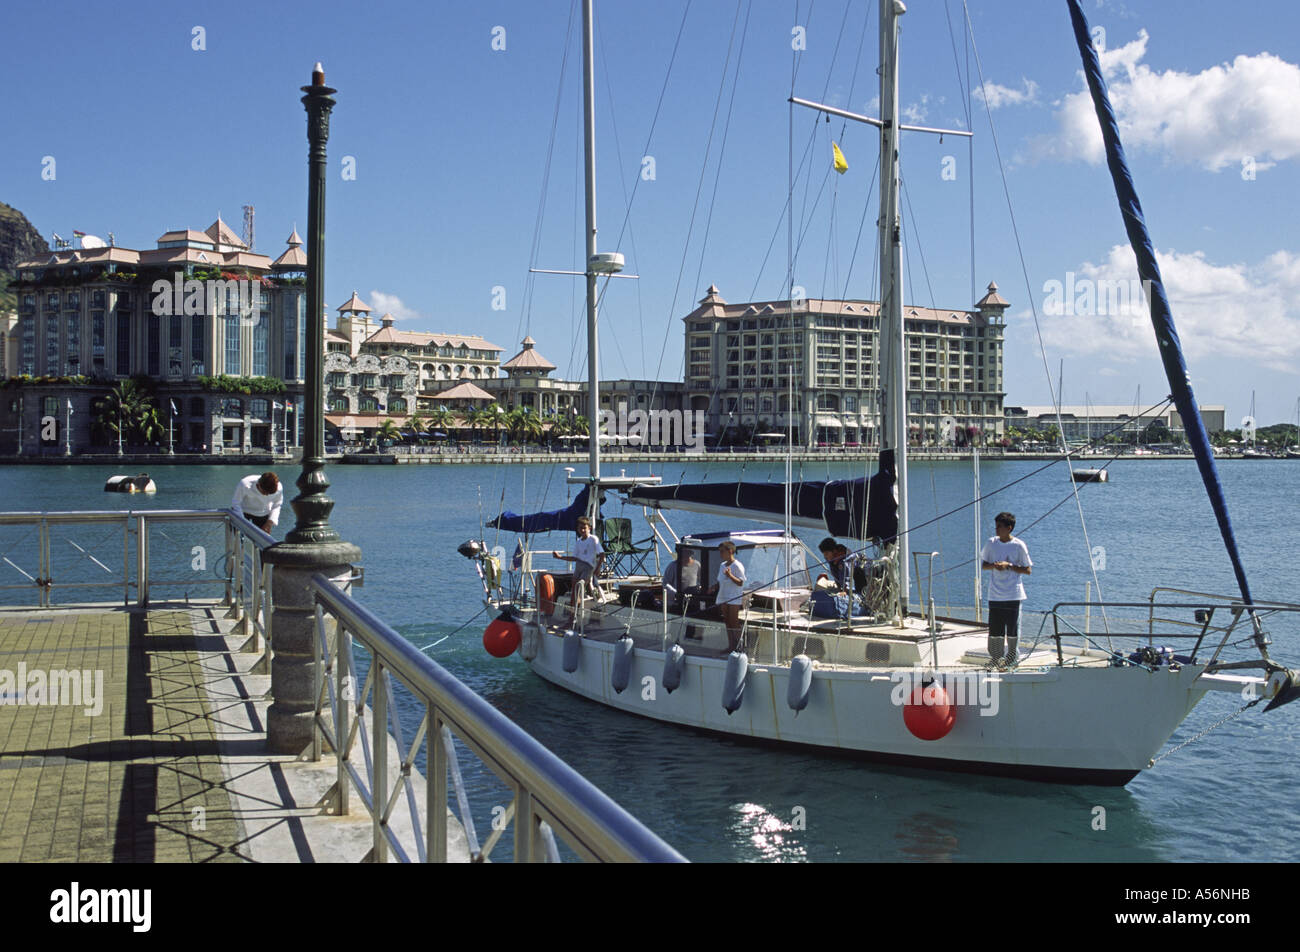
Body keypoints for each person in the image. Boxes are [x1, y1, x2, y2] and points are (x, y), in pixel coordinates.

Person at [980, 511, 1032, 669]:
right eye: (996, 526)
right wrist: (995, 566)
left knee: (1012, 631)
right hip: (995, 595)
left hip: (1013, 595)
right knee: (995, 631)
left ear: (1009, 528)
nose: (997, 530)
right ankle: (995, 659)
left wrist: (1009, 565)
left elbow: (1028, 570)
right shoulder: (991, 543)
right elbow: (984, 565)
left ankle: (1011, 660)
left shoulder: (1018, 545)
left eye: (1000, 527)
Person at [553, 515, 604, 611]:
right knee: (574, 590)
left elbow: (602, 554)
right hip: (579, 565)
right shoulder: (578, 542)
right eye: (580, 528)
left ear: (589, 528)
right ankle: (573, 613)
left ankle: (575, 613)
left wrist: (598, 568)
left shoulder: (593, 539)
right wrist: (560, 557)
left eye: (584, 528)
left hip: (588, 567)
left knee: (579, 588)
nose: (583, 530)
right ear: (577, 529)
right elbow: (575, 558)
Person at [708, 541, 746, 653]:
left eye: (722, 552)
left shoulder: (737, 565)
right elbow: (721, 580)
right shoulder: (722, 565)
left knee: (734, 622)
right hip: (723, 596)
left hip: (734, 597)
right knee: (727, 622)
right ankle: (731, 646)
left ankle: (740, 646)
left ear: (730, 551)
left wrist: (730, 575)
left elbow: (740, 582)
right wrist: (714, 587)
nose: (720, 554)